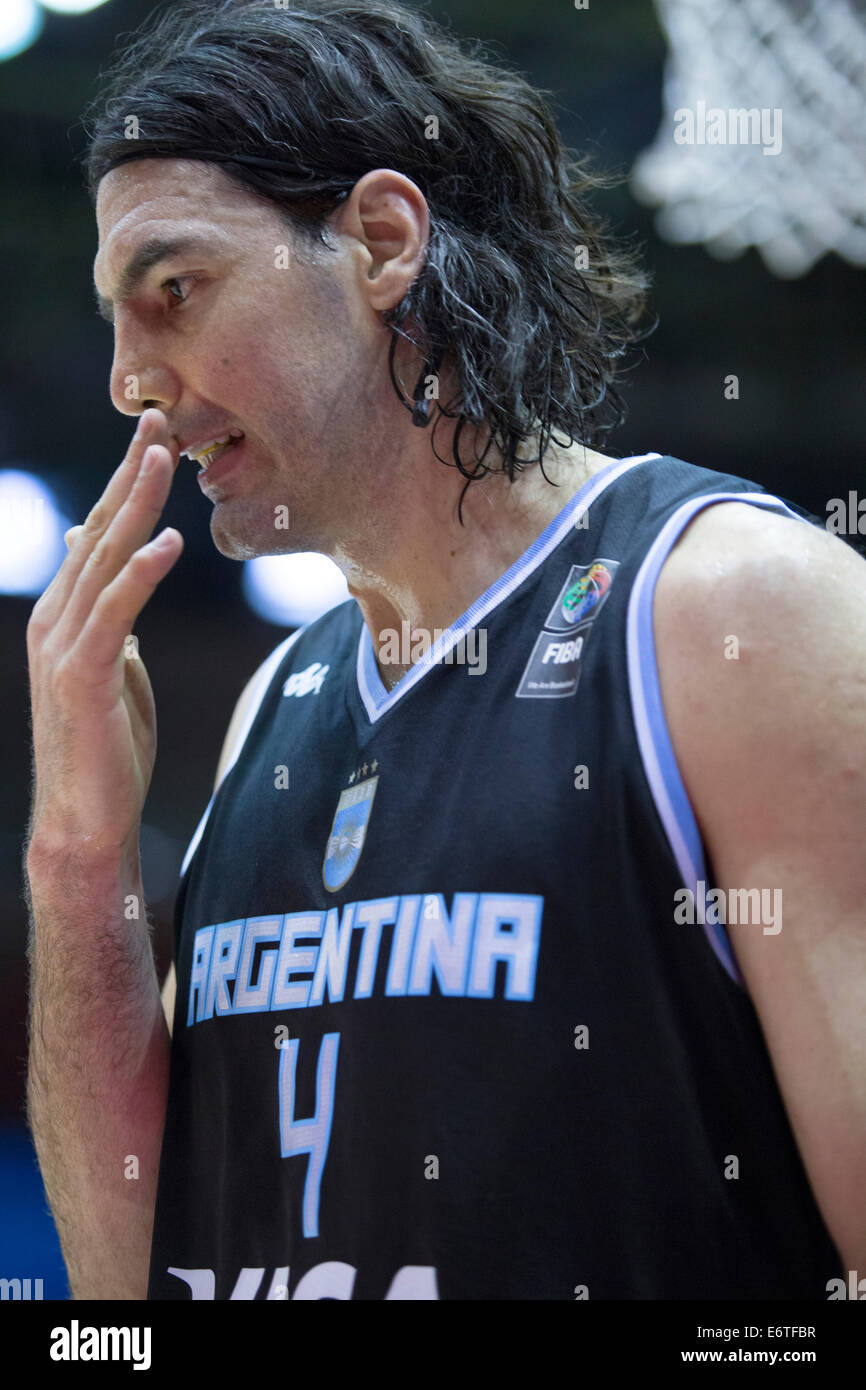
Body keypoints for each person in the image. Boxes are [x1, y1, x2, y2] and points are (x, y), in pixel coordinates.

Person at [24, 0, 865, 1300]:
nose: (131, 377)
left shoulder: (728, 613)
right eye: (118, 318)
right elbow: (126, 1292)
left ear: (378, 241)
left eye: (174, 290)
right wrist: (77, 853)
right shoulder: (276, 707)